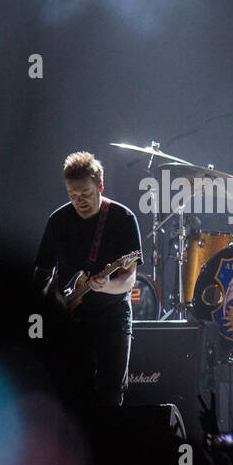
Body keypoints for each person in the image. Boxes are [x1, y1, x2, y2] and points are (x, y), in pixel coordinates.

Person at [34, 151, 142, 406]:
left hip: (111, 316)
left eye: (86, 194)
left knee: (110, 394)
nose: (79, 201)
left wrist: (108, 285)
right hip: (71, 320)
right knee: (70, 393)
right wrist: (47, 303)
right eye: (72, 195)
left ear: (101, 186)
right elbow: (42, 271)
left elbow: (129, 279)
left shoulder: (122, 219)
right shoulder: (58, 221)